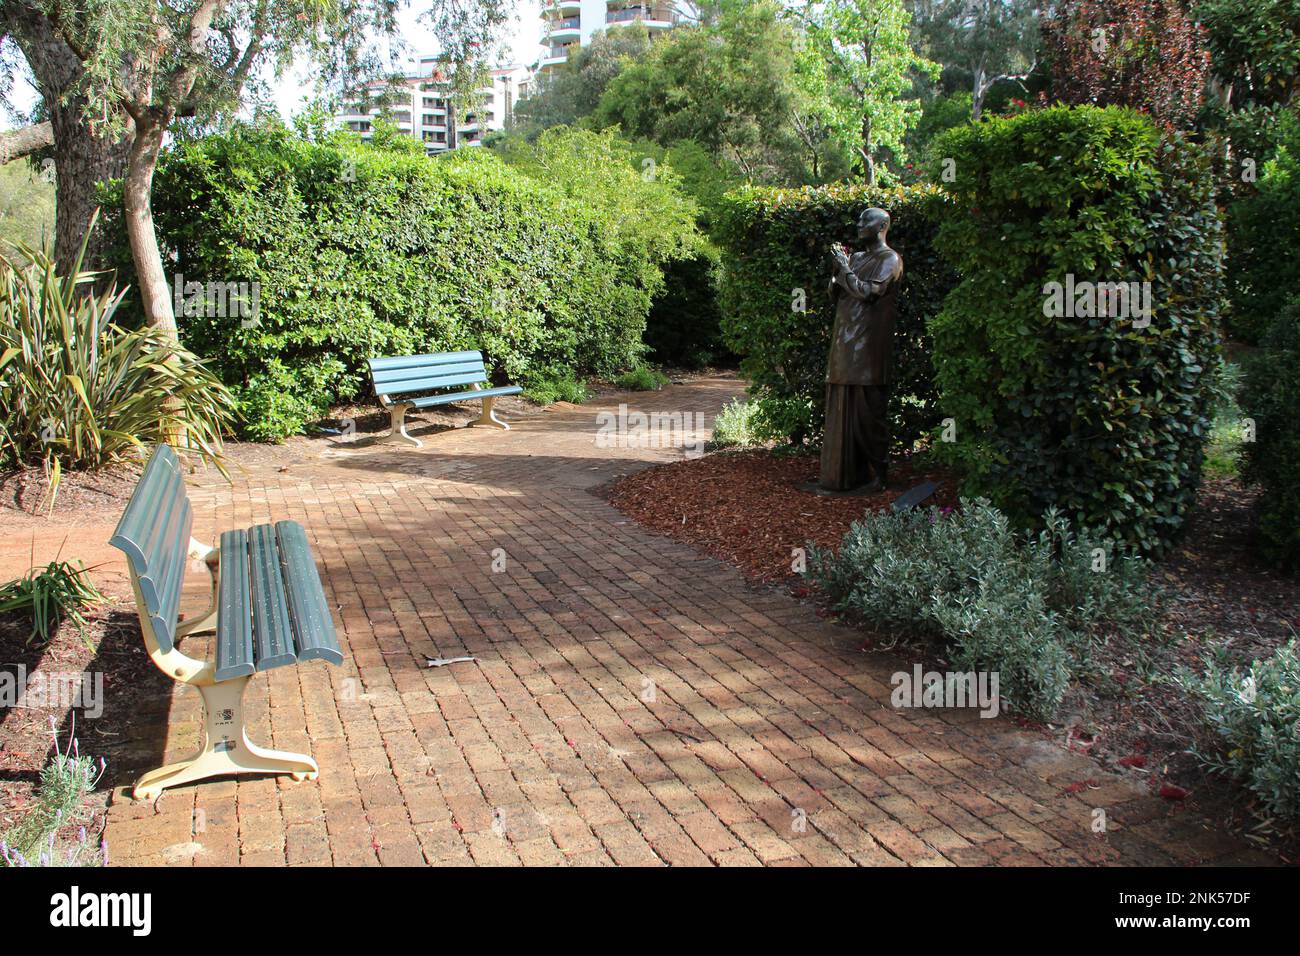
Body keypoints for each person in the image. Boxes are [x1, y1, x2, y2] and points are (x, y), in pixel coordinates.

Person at [820, 207, 903, 492]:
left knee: (868, 417)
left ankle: (879, 475)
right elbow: (835, 293)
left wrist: (844, 270)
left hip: (867, 350)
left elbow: (869, 292)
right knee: (841, 410)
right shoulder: (855, 258)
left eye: (864, 221)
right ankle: (844, 476)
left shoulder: (890, 259)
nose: (858, 225)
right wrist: (836, 272)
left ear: (881, 226)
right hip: (843, 345)